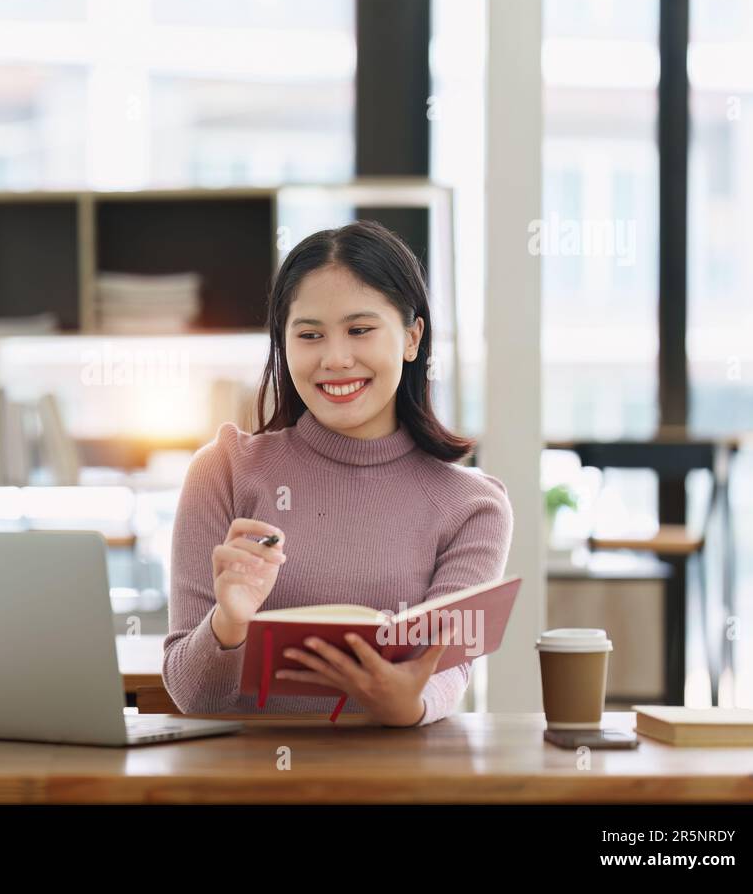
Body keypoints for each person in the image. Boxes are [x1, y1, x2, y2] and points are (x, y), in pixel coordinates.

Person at [162, 221, 514, 725]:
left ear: (412, 337)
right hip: (246, 785)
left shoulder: (472, 506)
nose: (336, 359)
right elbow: (193, 696)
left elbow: (444, 675)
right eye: (309, 335)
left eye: (360, 330)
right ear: (284, 345)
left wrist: (406, 703)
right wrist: (229, 623)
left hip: (395, 781)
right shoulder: (224, 471)